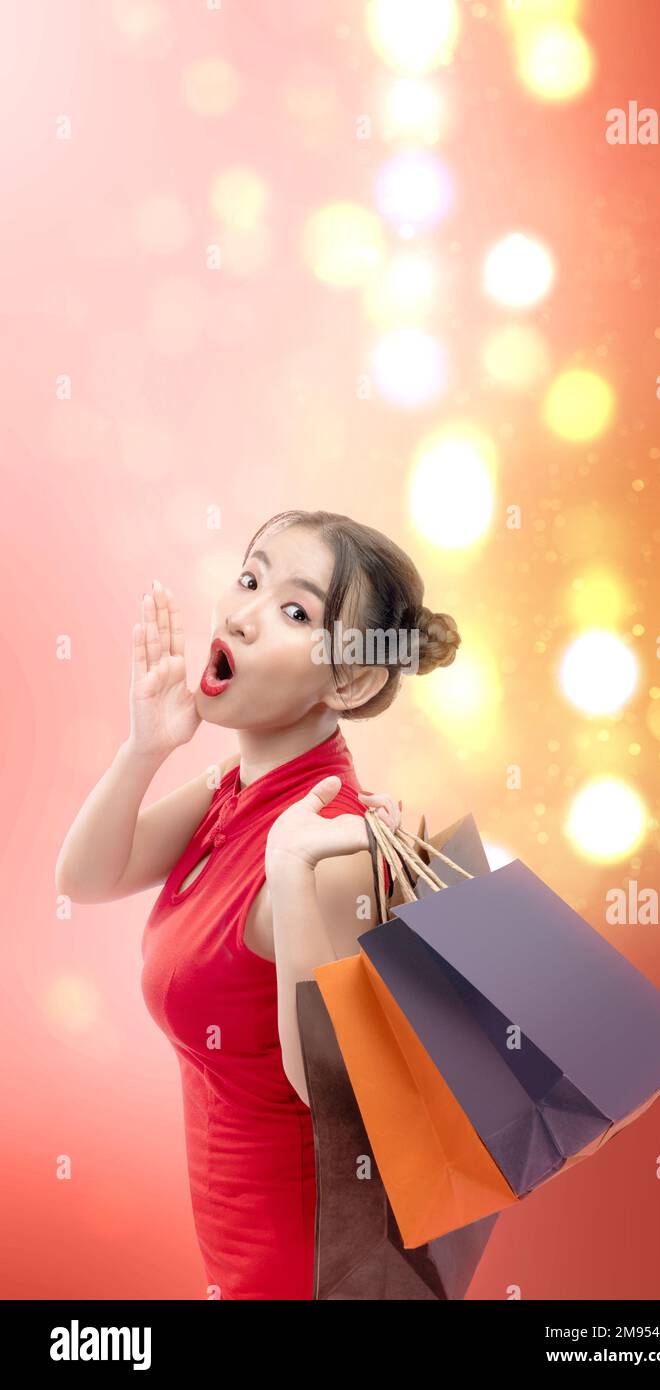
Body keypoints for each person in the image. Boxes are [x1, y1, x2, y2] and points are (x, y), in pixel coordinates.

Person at [55, 507, 461, 1300]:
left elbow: (338, 1099)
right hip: (237, 1253)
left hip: (306, 1270)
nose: (240, 615)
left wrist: (290, 879)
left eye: (293, 609)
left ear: (350, 679)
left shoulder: (329, 847)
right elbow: (88, 880)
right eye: (249, 579)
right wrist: (145, 746)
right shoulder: (234, 788)